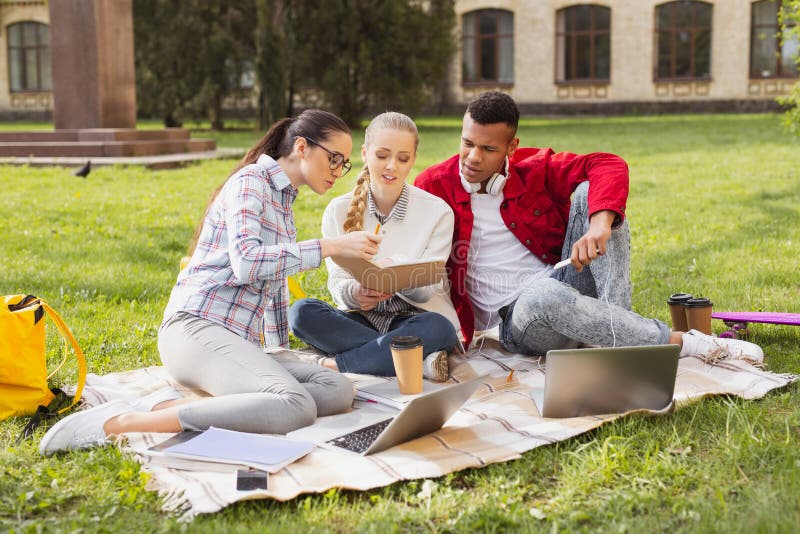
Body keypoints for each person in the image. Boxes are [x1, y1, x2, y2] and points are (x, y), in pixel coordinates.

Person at [40, 110, 382, 455]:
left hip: (236, 344)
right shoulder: (252, 182)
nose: (338, 172)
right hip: (194, 330)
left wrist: (276, 356)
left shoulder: (284, 203)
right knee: (297, 405)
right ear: (301, 147)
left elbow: (275, 290)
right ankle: (122, 422)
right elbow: (247, 262)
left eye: (345, 164)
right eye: (334, 159)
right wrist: (331, 246)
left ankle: (213, 404)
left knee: (336, 390)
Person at [414, 91, 764, 363]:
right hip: (517, 323)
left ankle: (619, 334)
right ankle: (681, 343)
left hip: (567, 281)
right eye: (467, 143)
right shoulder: (434, 184)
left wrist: (600, 223)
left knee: (593, 198)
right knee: (542, 295)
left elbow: (608, 164)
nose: (473, 157)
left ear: (511, 147)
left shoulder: (535, 166)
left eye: (488, 149)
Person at [289, 112, 460, 381]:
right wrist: (356, 294)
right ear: (365, 153)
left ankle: (339, 364)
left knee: (440, 329)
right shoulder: (338, 210)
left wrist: (397, 272)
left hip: (416, 317)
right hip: (362, 318)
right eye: (382, 156)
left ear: (413, 160)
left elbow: (428, 291)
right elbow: (337, 281)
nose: (391, 166)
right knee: (302, 313)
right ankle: (416, 360)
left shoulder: (438, 212)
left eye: (402, 159)